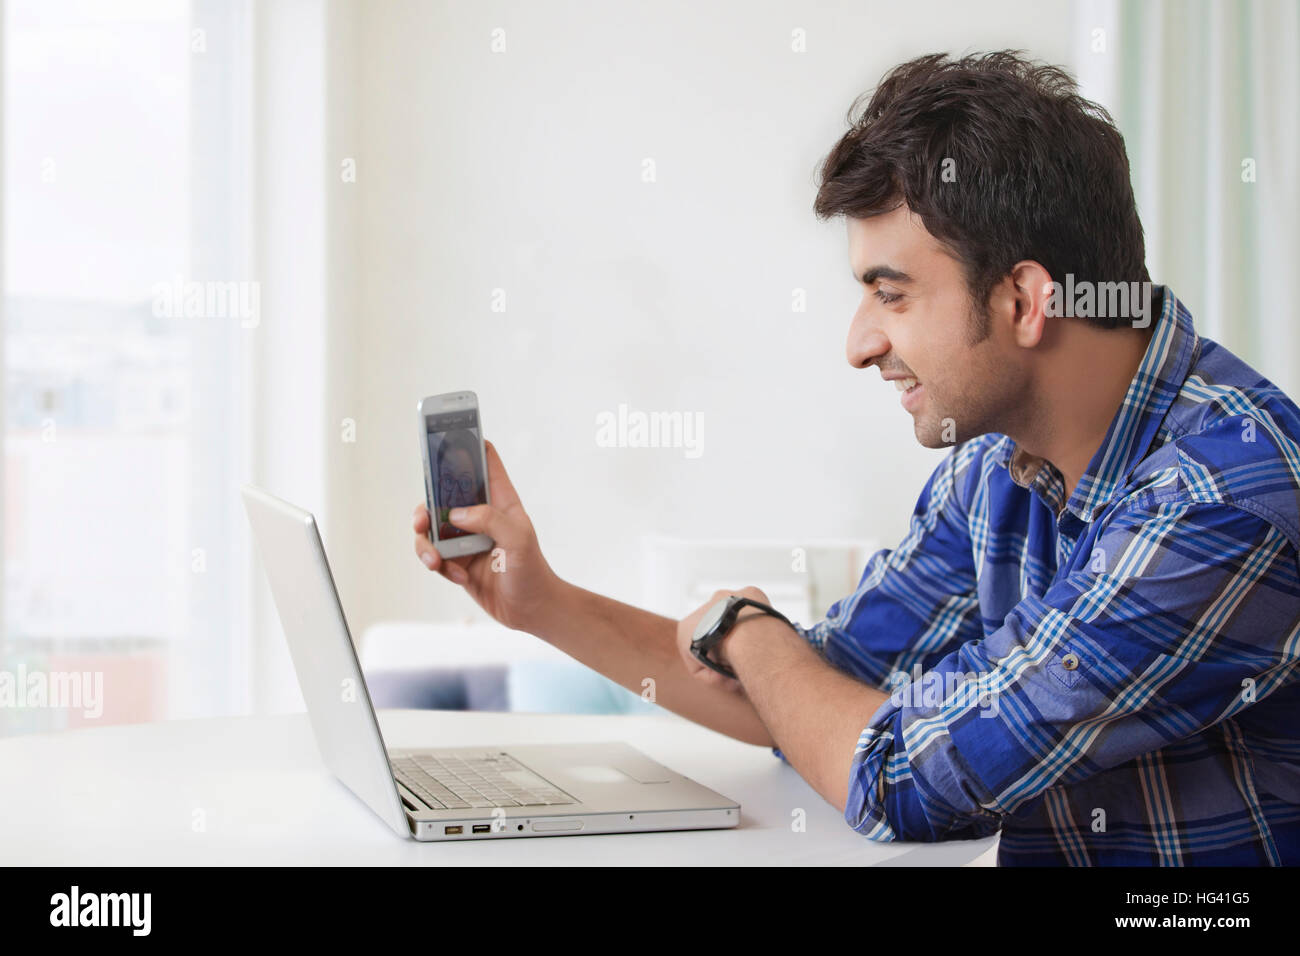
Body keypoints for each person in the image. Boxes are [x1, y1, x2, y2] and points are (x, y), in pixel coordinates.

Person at [413, 51, 1300, 865]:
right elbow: (816, 695)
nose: (859, 344)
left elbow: (905, 780)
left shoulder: (1222, 498)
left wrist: (744, 631)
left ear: (1026, 300)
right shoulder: (999, 465)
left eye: (893, 294)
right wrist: (546, 605)